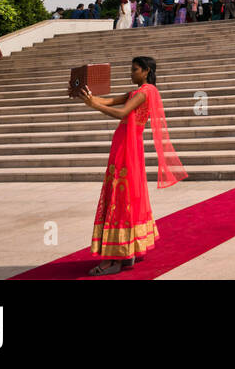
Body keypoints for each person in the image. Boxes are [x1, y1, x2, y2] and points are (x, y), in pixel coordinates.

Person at [73, 56, 186, 276]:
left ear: (145, 71)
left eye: (134, 70)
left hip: (128, 148)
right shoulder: (137, 91)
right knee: (125, 196)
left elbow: (122, 112)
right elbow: (112, 101)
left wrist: (94, 105)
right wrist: (90, 98)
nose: (131, 73)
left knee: (120, 196)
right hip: (123, 145)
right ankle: (128, 250)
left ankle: (115, 259)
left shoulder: (148, 91)